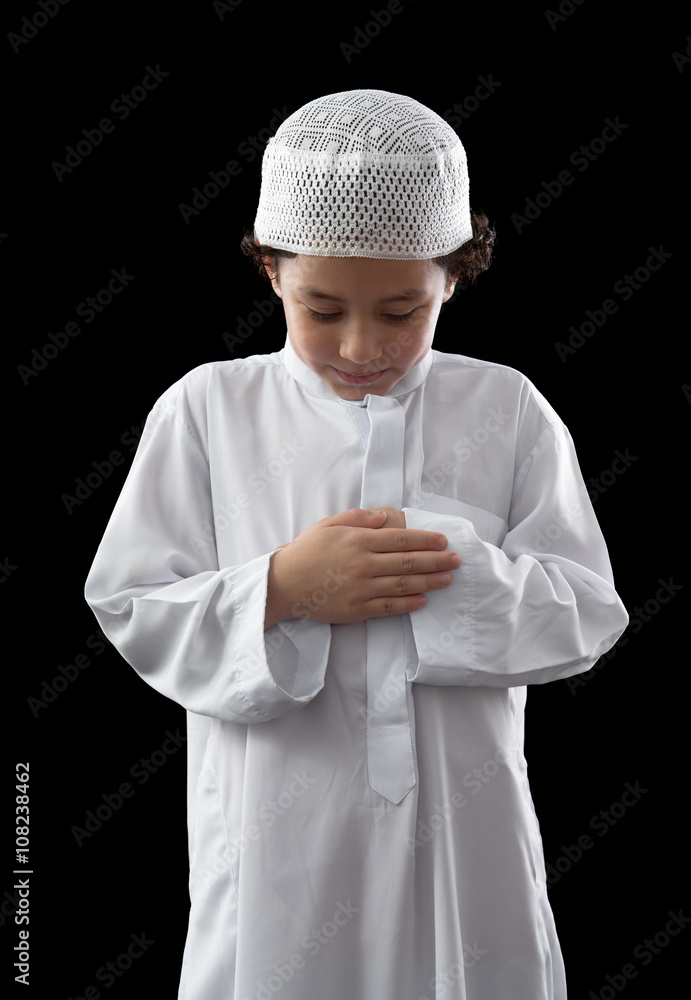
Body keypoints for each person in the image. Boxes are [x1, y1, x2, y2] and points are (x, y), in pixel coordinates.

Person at [84, 89, 629, 1000]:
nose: (360, 345)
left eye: (402, 309)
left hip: (466, 833)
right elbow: (133, 604)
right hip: (274, 840)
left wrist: (442, 568)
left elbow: (584, 614)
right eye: (322, 307)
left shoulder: (507, 410)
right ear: (270, 273)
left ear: (454, 275)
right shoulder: (209, 410)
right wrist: (284, 589)